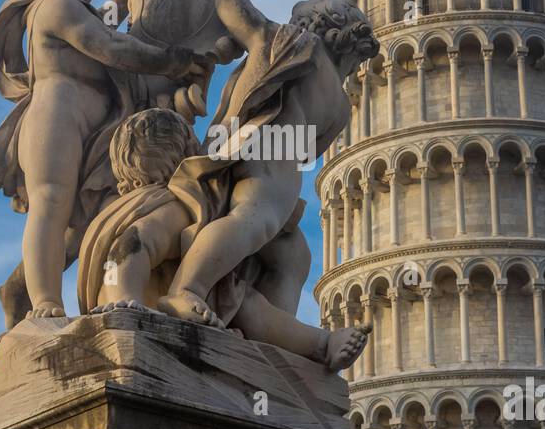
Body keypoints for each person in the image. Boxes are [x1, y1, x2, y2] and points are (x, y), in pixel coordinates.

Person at [0, 0, 207, 323]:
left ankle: (17, 290)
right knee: (51, 201)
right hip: (56, 118)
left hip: (101, 130)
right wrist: (172, 62)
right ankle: (45, 300)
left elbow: (108, 24)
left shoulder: (86, 13)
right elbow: (113, 48)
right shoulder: (53, 8)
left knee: (82, 228)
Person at [158, 0, 379, 337]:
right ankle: (186, 289)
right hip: (274, 164)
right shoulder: (336, 94)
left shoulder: (296, 45)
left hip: (259, 152)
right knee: (255, 221)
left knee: (292, 255)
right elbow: (311, 149)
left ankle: (269, 334)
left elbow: (238, 14)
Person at [77, 108, 370, 371]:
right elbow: (128, 249)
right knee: (248, 306)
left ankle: (320, 345)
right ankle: (320, 344)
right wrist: (125, 300)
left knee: (243, 300)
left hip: (185, 304)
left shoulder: (172, 207)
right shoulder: (173, 205)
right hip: (146, 305)